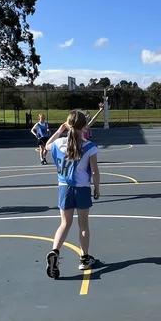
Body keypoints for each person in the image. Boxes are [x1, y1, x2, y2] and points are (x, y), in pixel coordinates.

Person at [44, 110, 100, 279]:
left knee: (64, 224)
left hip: (64, 188)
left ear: (67, 125)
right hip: (82, 188)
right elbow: (95, 172)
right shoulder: (89, 146)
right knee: (83, 225)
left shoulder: (59, 143)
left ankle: (55, 251)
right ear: (84, 126)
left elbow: (47, 146)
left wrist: (59, 131)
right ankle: (84, 257)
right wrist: (97, 188)